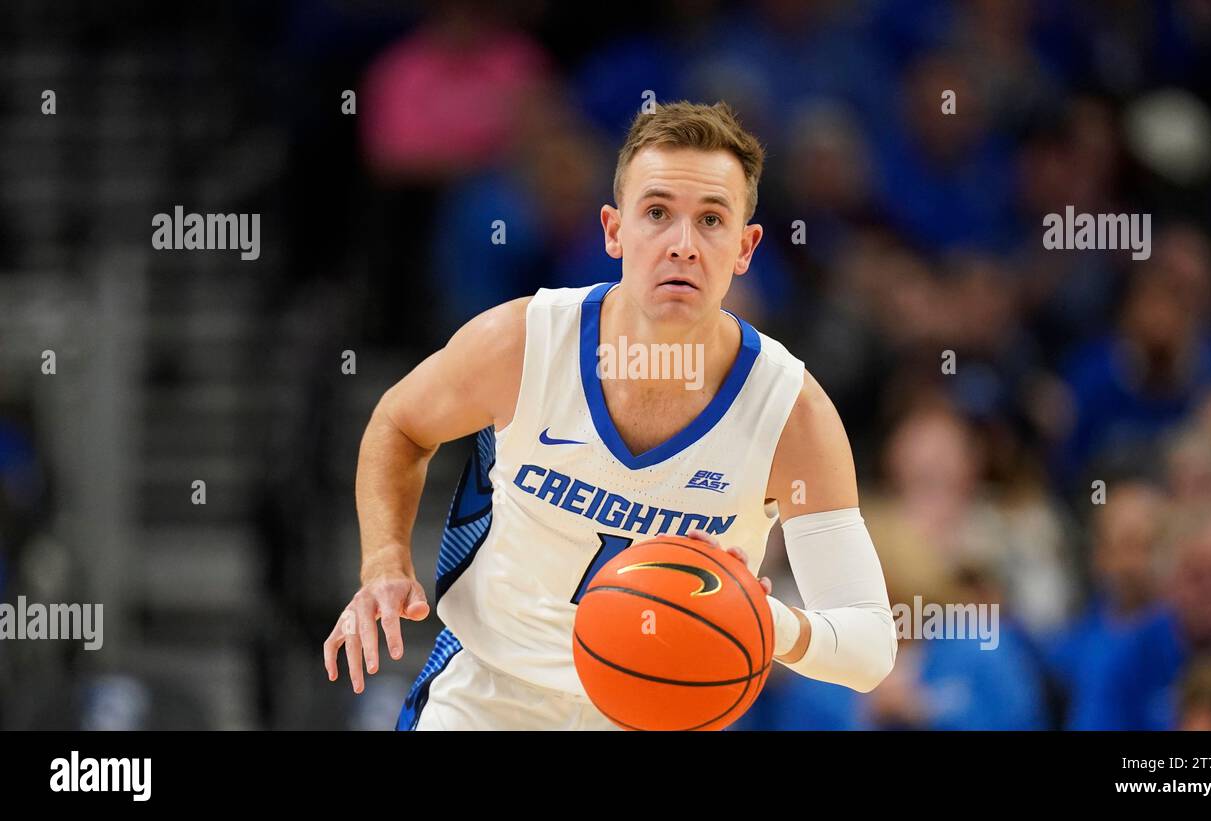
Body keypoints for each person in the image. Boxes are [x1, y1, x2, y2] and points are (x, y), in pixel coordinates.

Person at [321, 101, 897, 730]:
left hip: (664, 711)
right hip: (486, 695)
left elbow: (869, 648)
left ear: (745, 246)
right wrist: (382, 563)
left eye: (711, 219)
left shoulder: (792, 412)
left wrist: (767, 620)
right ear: (614, 229)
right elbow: (399, 424)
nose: (682, 245)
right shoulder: (523, 342)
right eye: (657, 213)